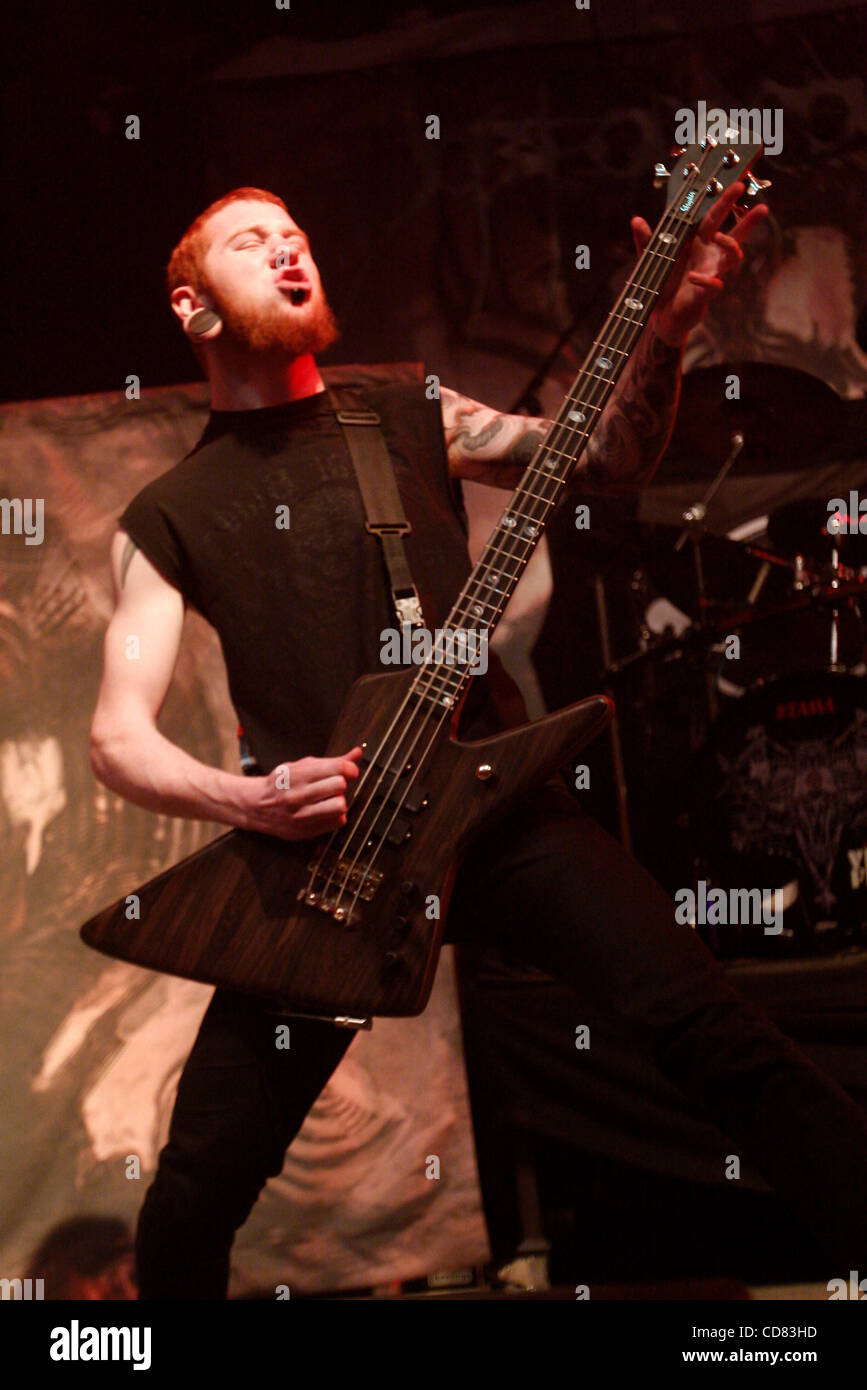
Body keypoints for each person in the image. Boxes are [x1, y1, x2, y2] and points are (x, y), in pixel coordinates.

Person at [90, 184, 866, 1300]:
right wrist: (246, 800)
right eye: (253, 244)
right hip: (324, 859)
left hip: (496, 804)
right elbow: (117, 736)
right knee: (202, 1178)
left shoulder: (410, 410)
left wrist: (670, 331)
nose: (290, 251)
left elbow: (600, 462)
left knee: (714, 1032)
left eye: (299, 236)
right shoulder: (169, 512)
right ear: (194, 306)